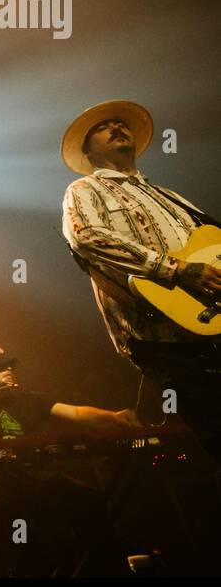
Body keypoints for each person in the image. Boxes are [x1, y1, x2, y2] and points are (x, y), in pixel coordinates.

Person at [60, 100, 221, 459]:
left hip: (207, 323)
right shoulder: (84, 190)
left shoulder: (171, 196)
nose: (118, 128)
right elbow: (87, 236)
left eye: (122, 124)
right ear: (87, 151)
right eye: (104, 127)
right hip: (156, 332)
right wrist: (176, 269)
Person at [0, 345, 137, 576]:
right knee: (17, 504)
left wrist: (113, 416)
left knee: (91, 502)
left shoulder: (28, 398)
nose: (8, 370)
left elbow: (76, 412)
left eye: (10, 365)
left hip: (34, 475)